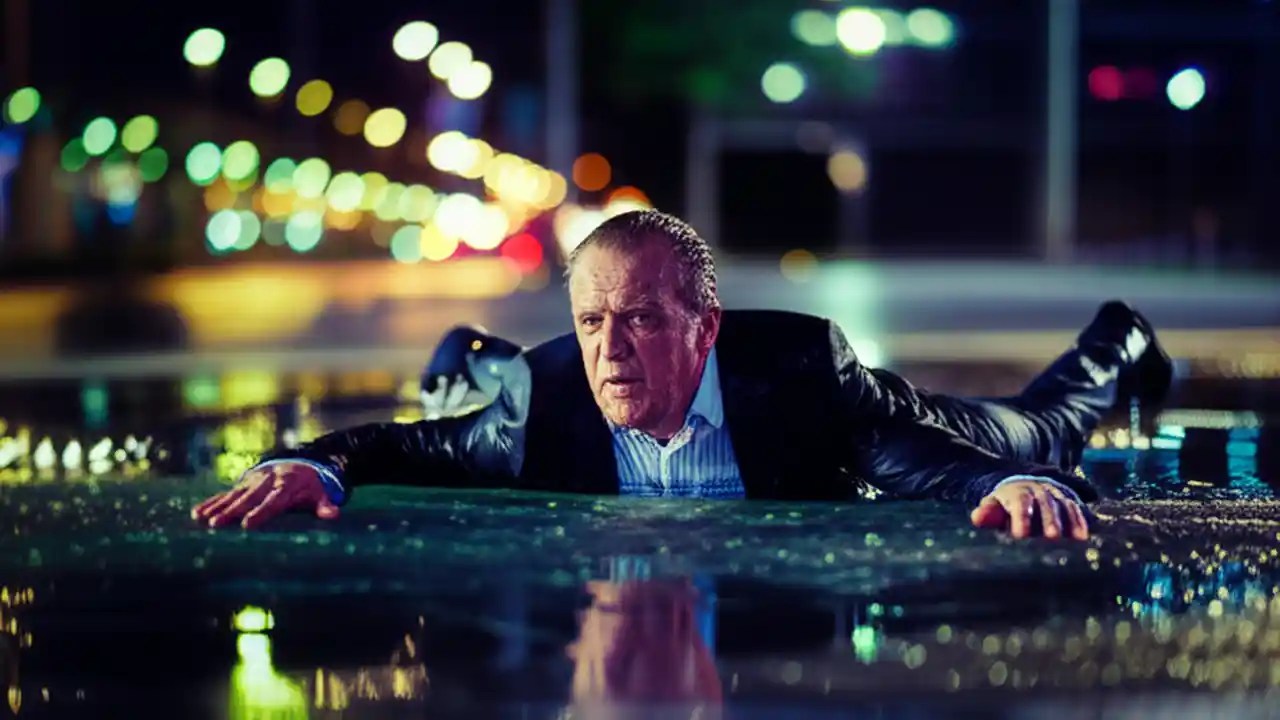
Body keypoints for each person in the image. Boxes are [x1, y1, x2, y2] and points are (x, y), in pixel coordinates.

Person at [193, 210, 1171, 540]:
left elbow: (924, 460)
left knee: (1033, 433)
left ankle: (1113, 340)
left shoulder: (798, 375)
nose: (611, 351)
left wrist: (1006, 483)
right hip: (499, 385)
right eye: (590, 325)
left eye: (641, 323)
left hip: (894, 413)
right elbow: (395, 446)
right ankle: (463, 361)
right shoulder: (541, 406)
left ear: (703, 328)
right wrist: (312, 467)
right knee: (473, 403)